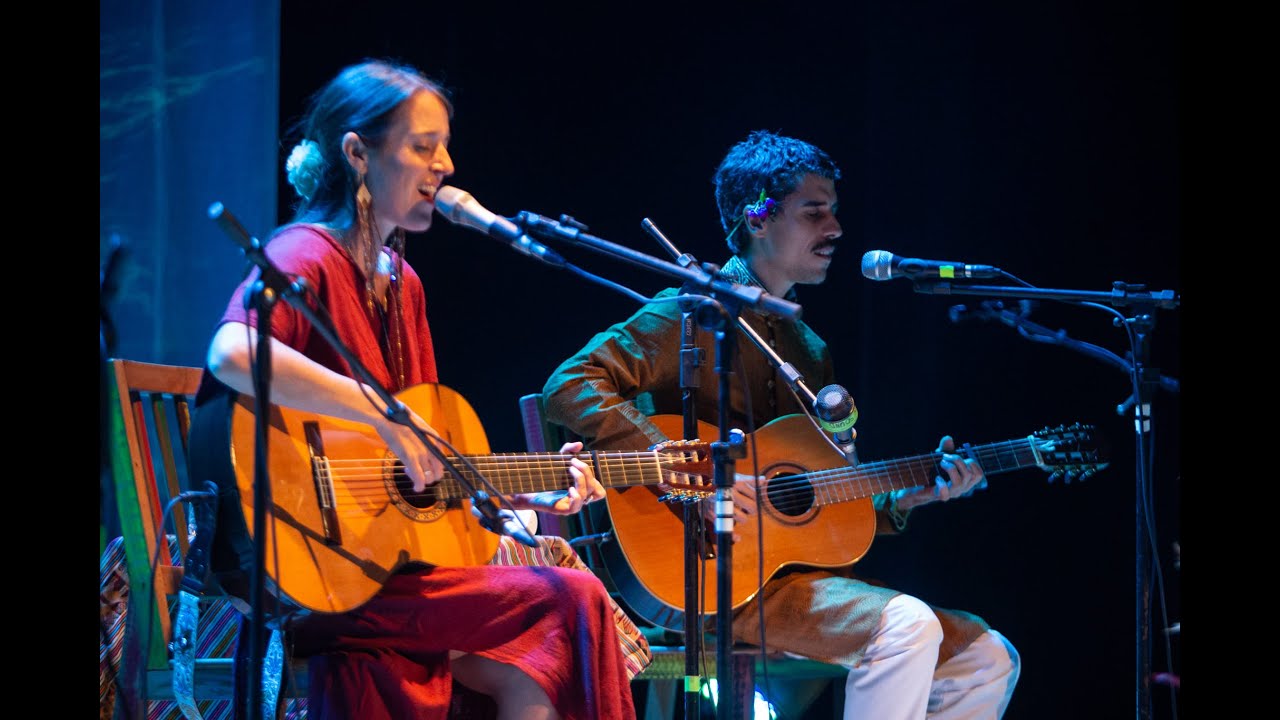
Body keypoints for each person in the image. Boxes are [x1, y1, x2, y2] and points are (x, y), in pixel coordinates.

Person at [192, 59, 640, 720]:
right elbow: (232, 352)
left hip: (382, 574)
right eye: (423, 147)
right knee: (569, 598)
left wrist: (530, 490)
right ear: (358, 154)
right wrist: (380, 413)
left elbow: (419, 468)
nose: (446, 165)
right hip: (308, 573)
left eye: (445, 146)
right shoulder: (304, 253)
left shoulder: (403, 284)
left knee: (545, 656)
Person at [541, 129, 1020, 719]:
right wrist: (679, 468)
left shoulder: (807, 348)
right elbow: (568, 385)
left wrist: (904, 499)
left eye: (834, 212)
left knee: (987, 655)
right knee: (907, 626)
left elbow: (809, 497)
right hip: (704, 572)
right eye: (814, 212)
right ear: (758, 218)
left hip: (789, 579)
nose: (836, 229)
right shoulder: (689, 312)